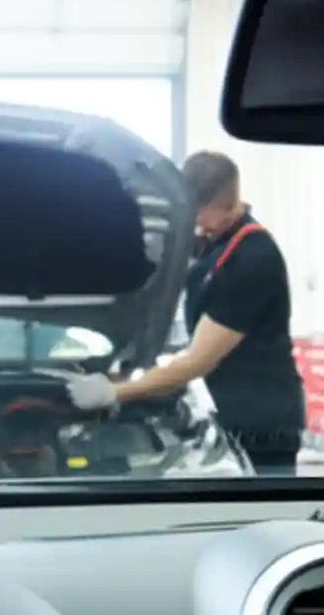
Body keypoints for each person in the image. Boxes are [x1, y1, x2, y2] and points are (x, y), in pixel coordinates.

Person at [67, 151, 305, 475]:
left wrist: (114, 393)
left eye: (197, 215)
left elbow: (198, 360)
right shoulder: (214, 242)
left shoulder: (250, 259)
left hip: (262, 424)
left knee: (262, 516)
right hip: (233, 406)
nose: (192, 226)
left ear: (220, 204)